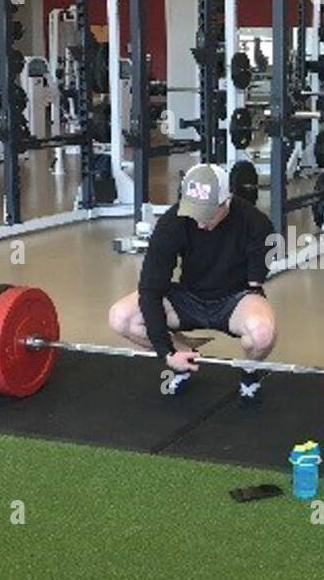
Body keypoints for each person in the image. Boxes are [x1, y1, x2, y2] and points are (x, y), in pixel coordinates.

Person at [108, 163, 276, 402]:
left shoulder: (256, 223)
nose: (199, 223)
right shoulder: (172, 222)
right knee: (121, 318)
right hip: (188, 298)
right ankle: (184, 358)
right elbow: (150, 289)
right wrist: (166, 352)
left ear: (226, 202)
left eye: (207, 214)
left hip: (235, 300)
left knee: (262, 334)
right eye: (194, 212)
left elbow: (255, 285)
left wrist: (253, 282)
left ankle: (249, 370)